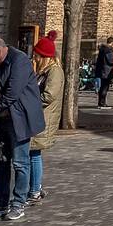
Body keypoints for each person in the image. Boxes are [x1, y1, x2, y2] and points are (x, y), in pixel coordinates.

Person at [0, 36, 45, 220]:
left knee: (20, 162)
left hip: (19, 119)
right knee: (1, 161)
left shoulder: (20, 60)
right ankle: (1, 202)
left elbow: (12, 93)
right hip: (3, 120)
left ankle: (18, 203)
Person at [28, 33, 63, 204]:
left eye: (36, 55)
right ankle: (34, 187)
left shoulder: (55, 72)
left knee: (34, 153)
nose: (34, 58)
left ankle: (34, 189)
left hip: (44, 119)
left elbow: (49, 96)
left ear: (44, 56)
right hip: (37, 117)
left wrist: (29, 103)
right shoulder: (43, 70)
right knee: (32, 153)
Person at [95, 36, 113, 108]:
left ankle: (100, 102)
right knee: (105, 87)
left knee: (102, 87)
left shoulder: (102, 49)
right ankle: (102, 102)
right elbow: (110, 61)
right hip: (107, 71)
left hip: (101, 70)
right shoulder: (109, 50)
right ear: (112, 43)